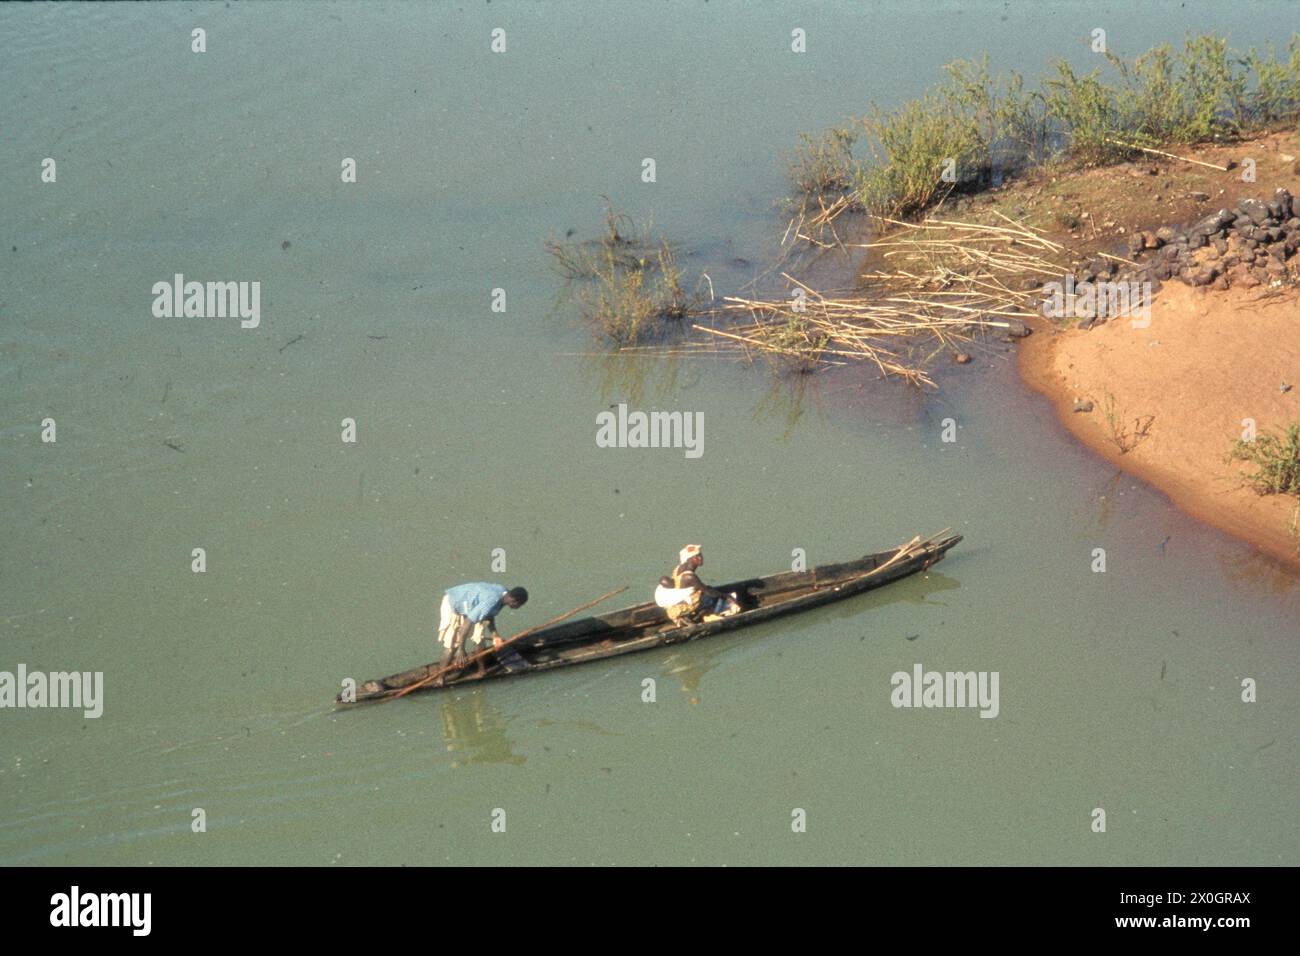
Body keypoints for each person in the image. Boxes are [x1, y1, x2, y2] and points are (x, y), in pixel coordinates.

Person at [437, 582, 529, 674]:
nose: (518, 607)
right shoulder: (491, 600)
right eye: (519, 605)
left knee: (479, 640)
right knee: (452, 646)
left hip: (472, 607)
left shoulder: (504, 593)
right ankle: (440, 678)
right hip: (454, 604)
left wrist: (495, 634)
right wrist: (461, 650)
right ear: (514, 601)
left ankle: (481, 670)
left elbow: (489, 614)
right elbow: (466, 625)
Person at [655, 544, 740, 624]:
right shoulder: (689, 577)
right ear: (689, 559)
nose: (701, 558)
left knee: (709, 590)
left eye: (700, 555)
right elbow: (709, 592)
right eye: (697, 557)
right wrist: (727, 596)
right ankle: (698, 616)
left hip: (683, 600)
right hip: (687, 604)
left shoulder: (679, 568)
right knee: (711, 598)